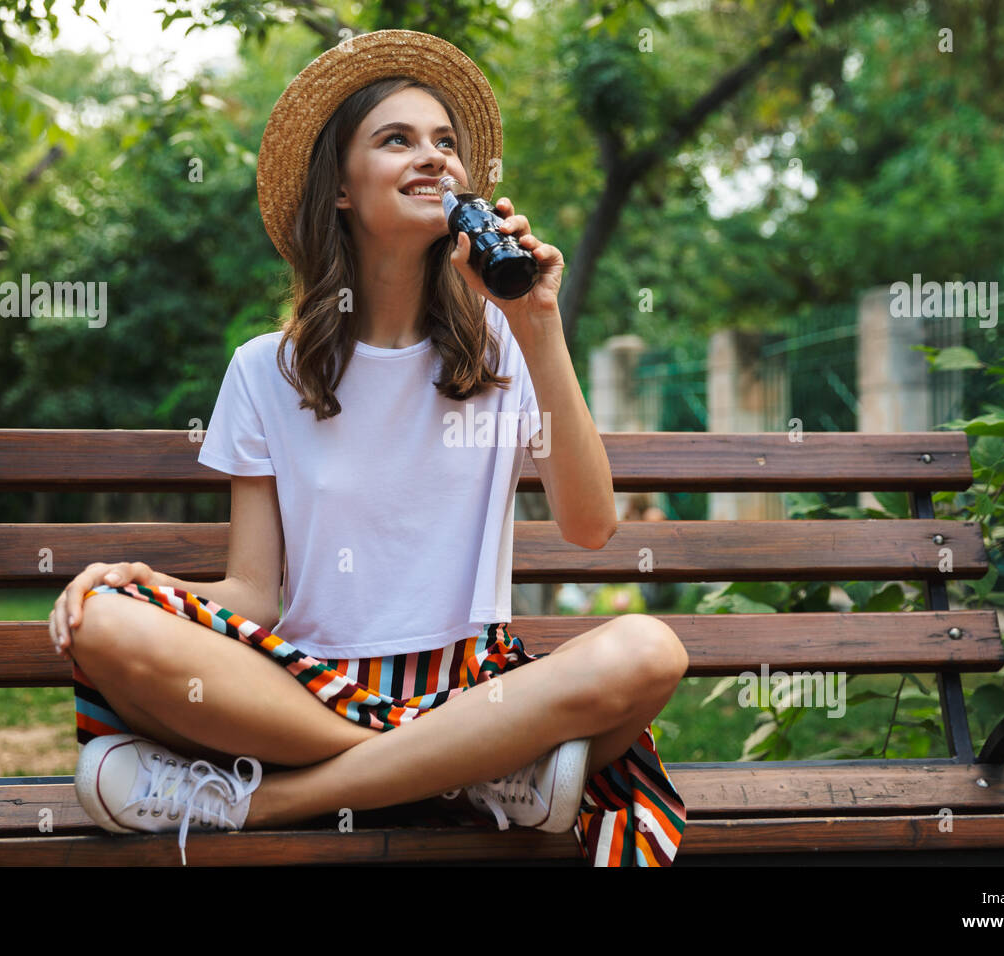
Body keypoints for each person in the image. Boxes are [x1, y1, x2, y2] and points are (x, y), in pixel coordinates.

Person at [49, 29, 688, 867]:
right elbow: (253, 594)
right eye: (397, 140)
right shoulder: (264, 371)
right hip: (302, 688)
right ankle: (469, 770)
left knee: (650, 650)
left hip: (472, 683)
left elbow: (591, 527)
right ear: (341, 190)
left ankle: (268, 803)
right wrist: (146, 584)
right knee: (102, 625)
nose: (434, 159)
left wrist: (540, 325)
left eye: (445, 143)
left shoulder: (508, 344)